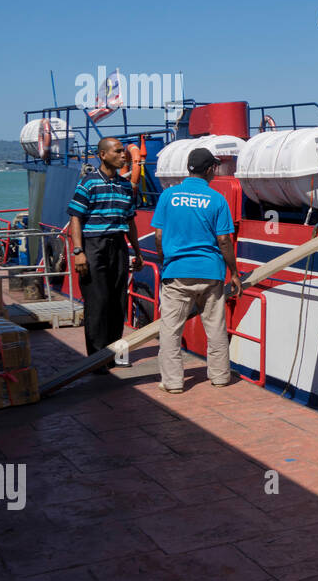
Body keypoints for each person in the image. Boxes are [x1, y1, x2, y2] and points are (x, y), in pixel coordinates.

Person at [151, 147, 242, 393]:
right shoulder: (217, 199)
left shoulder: (168, 196)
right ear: (211, 169)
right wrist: (233, 272)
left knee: (170, 329)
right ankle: (221, 376)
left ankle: (172, 383)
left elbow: (158, 235)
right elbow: (224, 240)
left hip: (177, 272)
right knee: (215, 327)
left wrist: (164, 260)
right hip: (210, 271)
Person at [67, 137, 144, 370]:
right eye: (118, 152)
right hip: (93, 246)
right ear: (102, 155)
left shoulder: (125, 187)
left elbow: (129, 222)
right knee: (97, 303)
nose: (124, 156)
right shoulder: (88, 183)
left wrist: (137, 252)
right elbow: (75, 217)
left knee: (118, 302)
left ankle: (117, 355)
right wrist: (78, 251)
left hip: (118, 246)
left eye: (124, 152)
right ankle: (98, 359)